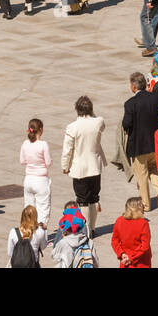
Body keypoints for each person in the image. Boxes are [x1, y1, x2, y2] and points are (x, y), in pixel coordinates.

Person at [61, 94, 107, 236]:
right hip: (94, 165)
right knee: (94, 197)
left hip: (79, 168)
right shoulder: (98, 122)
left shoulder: (72, 127)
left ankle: (85, 229)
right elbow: (99, 121)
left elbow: (67, 150)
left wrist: (65, 165)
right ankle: (92, 228)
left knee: (82, 200)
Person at [122, 73, 158, 213]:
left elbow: (126, 124)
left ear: (133, 87)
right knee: (154, 169)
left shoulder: (130, 104)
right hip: (155, 143)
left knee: (142, 175)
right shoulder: (157, 99)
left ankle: (146, 204)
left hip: (139, 146)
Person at [19, 118, 52, 228]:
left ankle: (28, 231)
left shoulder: (25, 144)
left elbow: (22, 161)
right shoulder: (43, 144)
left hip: (28, 179)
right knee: (43, 209)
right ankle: (42, 235)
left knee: (28, 208)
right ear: (41, 130)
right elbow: (48, 162)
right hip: (41, 180)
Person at [111, 196, 152, 268]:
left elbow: (115, 241)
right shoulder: (143, 223)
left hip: (125, 260)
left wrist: (122, 253)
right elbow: (145, 246)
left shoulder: (119, 220)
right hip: (141, 261)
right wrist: (131, 258)